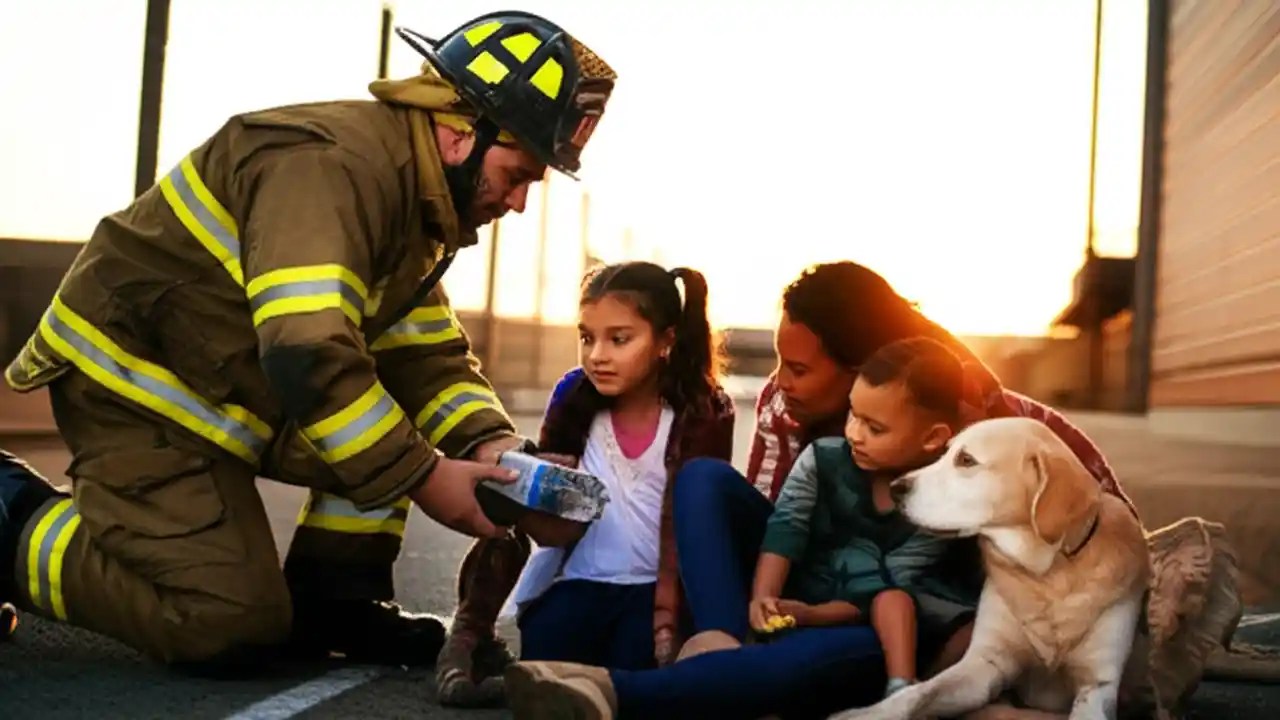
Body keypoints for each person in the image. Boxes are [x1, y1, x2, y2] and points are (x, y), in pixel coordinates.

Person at [0, 10, 617, 672]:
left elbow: (428, 357)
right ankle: (10, 519)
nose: (520, 202)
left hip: (221, 389)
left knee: (384, 414)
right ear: (458, 131)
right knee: (226, 623)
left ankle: (337, 599)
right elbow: (308, 351)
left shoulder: (411, 202)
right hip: (136, 393)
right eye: (520, 172)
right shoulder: (331, 168)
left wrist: (498, 458)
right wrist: (429, 477)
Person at [501, 261, 1139, 720]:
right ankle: (724, 650)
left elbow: (1102, 517)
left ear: (863, 369)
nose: (780, 383)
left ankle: (615, 691)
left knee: (858, 642)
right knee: (703, 483)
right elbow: (776, 523)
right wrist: (762, 602)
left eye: (800, 368)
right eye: (780, 361)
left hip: (905, 616)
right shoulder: (795, 421)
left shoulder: (983, 422)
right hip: (808, 584)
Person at [514, 262, 734, 665]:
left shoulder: (700, 413)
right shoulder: (575, 401)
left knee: (635, 665)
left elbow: (704, 527)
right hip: (579, 581)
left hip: (653, 593)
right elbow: (541, 503)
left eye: (619, 339)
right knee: (546, 641)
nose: (597, 356)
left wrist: (671, 617)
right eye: (587, 337)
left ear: (665, 340)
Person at [750, 337, 974, 699]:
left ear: (933, 438)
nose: (854, 434)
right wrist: (765, 597)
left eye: (875, 428)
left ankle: (910, 695)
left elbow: (886, 589)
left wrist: (812, 615)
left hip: (870, 624)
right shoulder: (822, 460)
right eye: (853, 415)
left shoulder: (938, 504)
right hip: (804, 599)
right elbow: (785, 528)